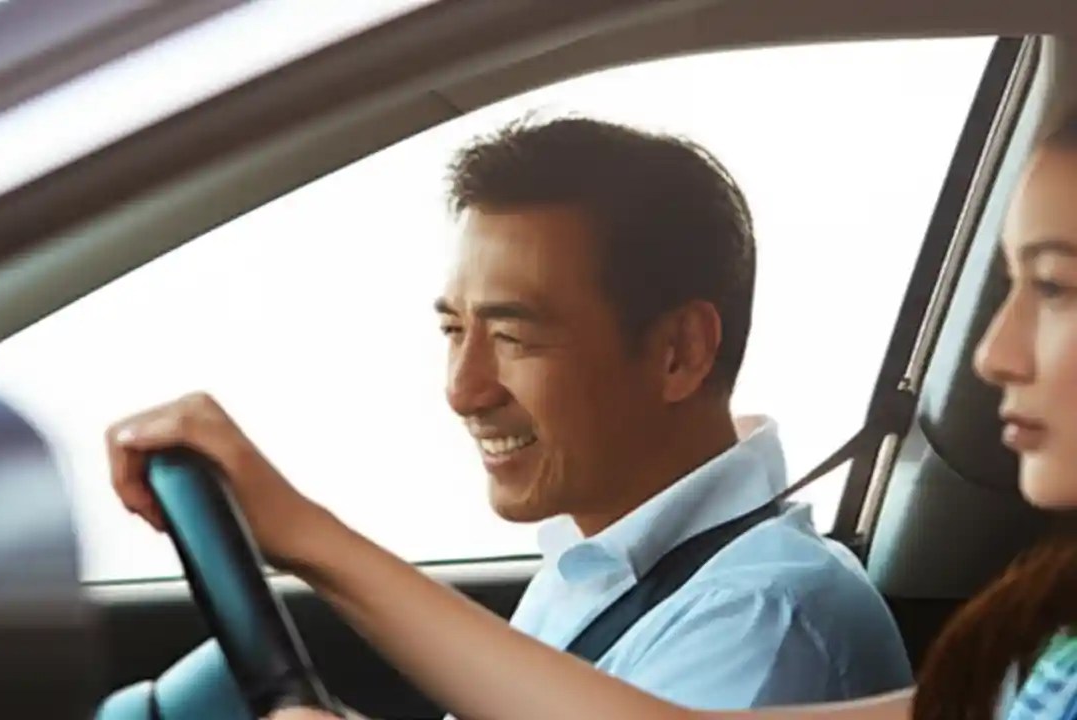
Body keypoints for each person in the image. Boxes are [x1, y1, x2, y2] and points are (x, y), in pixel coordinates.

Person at [111, 112, 1077, 720]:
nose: (463, 387)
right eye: (453, 329)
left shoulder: (766, 619)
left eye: (1056, 287)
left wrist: (307, 539)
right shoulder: (1034, 659)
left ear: (678, 353)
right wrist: (303, 540)